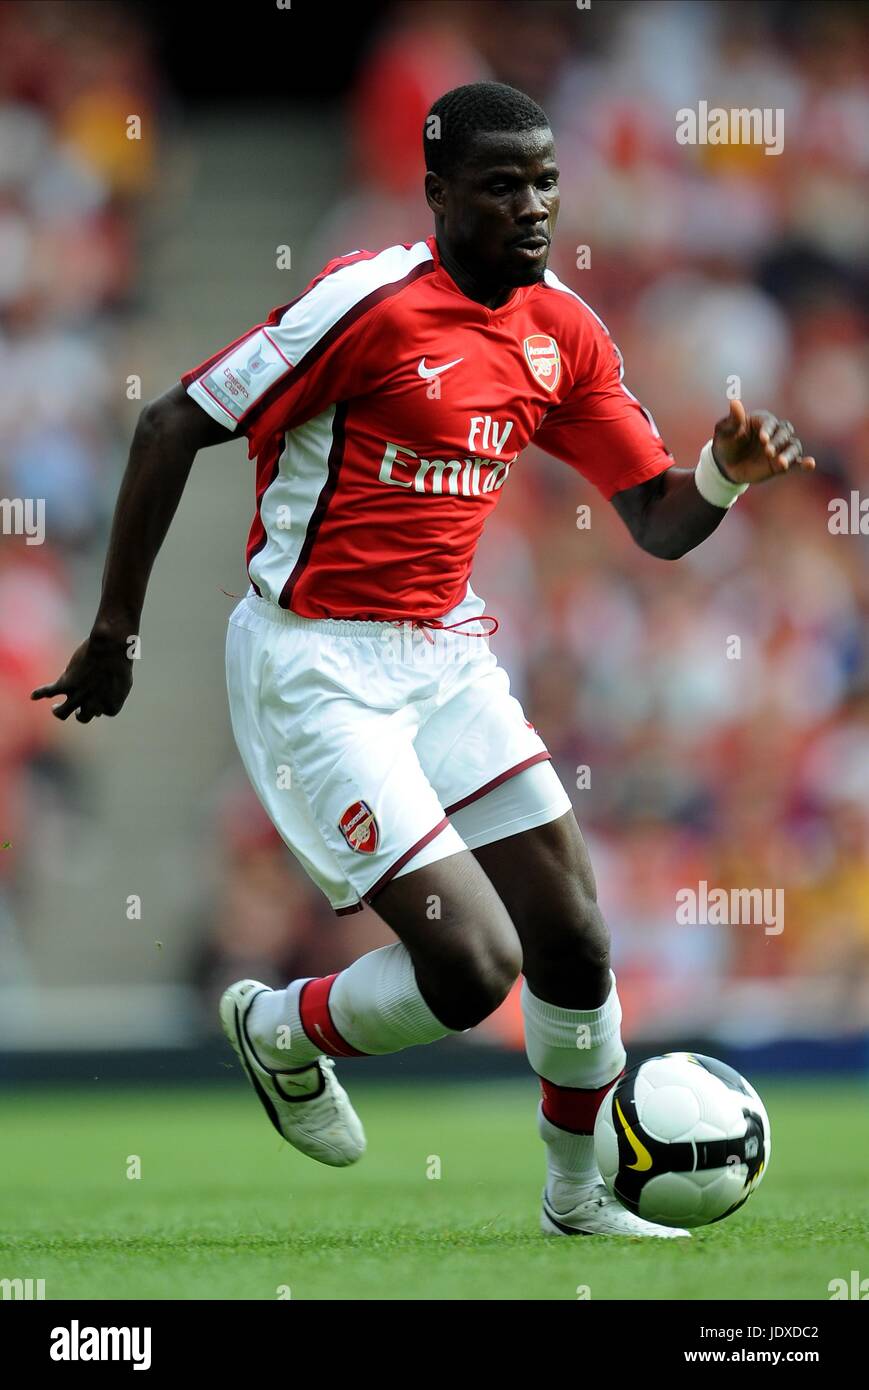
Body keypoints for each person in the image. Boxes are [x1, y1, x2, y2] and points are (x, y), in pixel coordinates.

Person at [32, 82, 814, 1237]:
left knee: (573, 936)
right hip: (315, 667)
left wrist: (718, 475)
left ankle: (575, 1196)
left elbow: (652, 519)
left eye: (545, 181)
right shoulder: (369, 305)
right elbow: (170, 425)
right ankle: (283, 1027)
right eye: (502, 186)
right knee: (472, 968)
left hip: (442, 657)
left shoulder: (560, 330)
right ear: (439, 193)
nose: (534, 206)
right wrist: (115, 633)